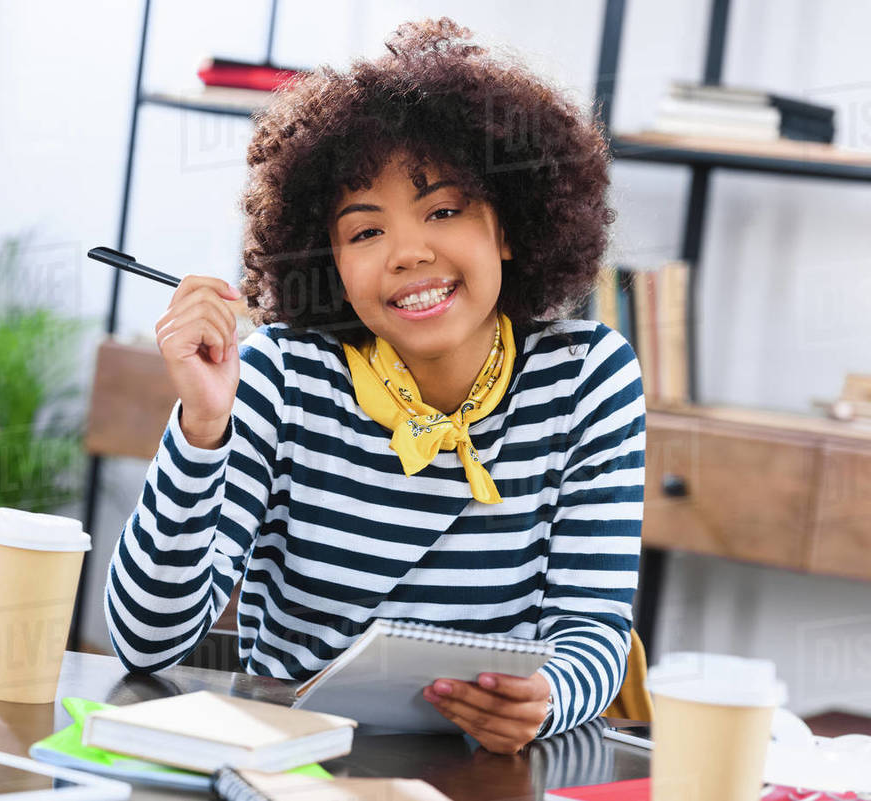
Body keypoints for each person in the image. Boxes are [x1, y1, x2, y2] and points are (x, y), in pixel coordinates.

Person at [104, 17, 644, 754]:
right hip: (293, 767)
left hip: (483, 772)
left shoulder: (587, 379)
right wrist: (201, 428)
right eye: (365, 232)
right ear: (328, 257)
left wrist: (547, 698)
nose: (408, 253)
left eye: (444, 210)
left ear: (510, 227)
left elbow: (594, 630)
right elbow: (145, 641)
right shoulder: (280, 377)